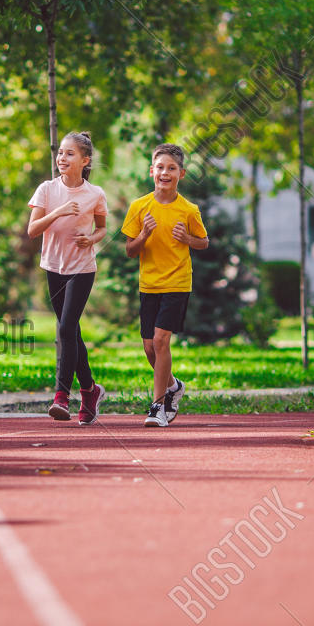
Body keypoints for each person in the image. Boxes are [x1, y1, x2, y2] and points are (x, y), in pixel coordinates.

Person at [121, 143, 209, 428]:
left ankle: (157, 406)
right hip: (149, 285)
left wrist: (187, 239)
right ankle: (173, 386)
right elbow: (130, 250)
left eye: (172, 168)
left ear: (181, 174)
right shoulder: (139, 207)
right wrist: (144, 234)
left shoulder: (189, 210)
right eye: (160, 167)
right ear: (152, 171)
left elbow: (204, 242)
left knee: (161, 341)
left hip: (177, 282)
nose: (165, 173)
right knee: (150, 347)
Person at [27, 131, 110, 425]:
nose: (62, 158)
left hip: (82, 268)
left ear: (85, 160)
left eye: (69, 153)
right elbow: (33, 230)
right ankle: (90, 390)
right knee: (70, 332)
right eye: (60, 152)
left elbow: (102, 228)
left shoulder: (95, 194)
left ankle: (61, 396)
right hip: (53, 267)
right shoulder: (47, 190)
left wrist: (92, 239)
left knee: (66, 328)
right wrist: (59, 212)